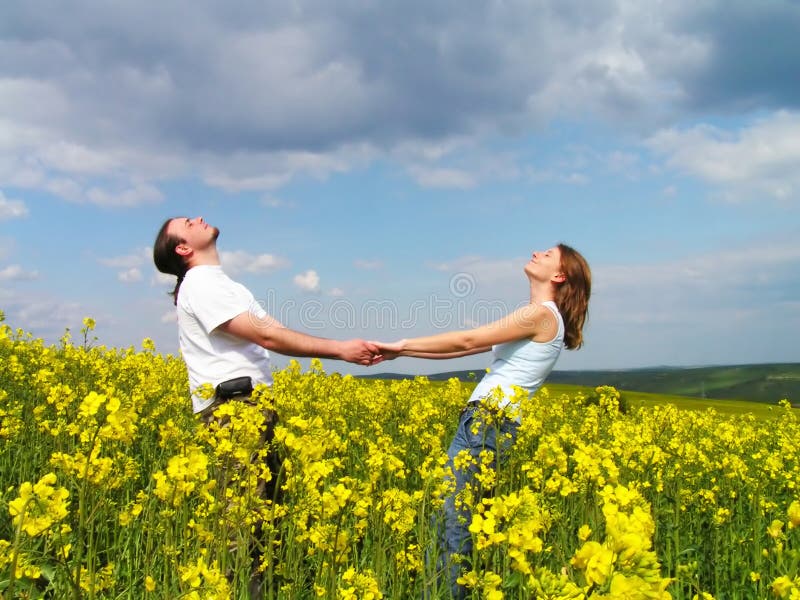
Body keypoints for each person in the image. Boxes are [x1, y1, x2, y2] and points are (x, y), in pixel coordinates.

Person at [153, 215, 381, 597]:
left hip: (248, 408)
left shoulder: (222, 284)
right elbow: (269, 337)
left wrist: (344, 347)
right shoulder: (201, 284)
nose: (198, 218)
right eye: (188, 223)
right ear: (183, 248)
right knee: (243, 522)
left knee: (265, 517)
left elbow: (274, 331)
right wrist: (340, 350)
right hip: (233, 411)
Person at [374, 244, 591, 599]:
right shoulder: (539, 317)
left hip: (488, 423)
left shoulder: (541, 315)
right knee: (463, 523)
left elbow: (467, 339)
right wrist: (399, 352)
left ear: (559, 275)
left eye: (548, 254)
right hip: (489, 425)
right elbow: (467, 349)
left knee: (453, 526)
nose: (536, 252)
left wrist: (399, 345)